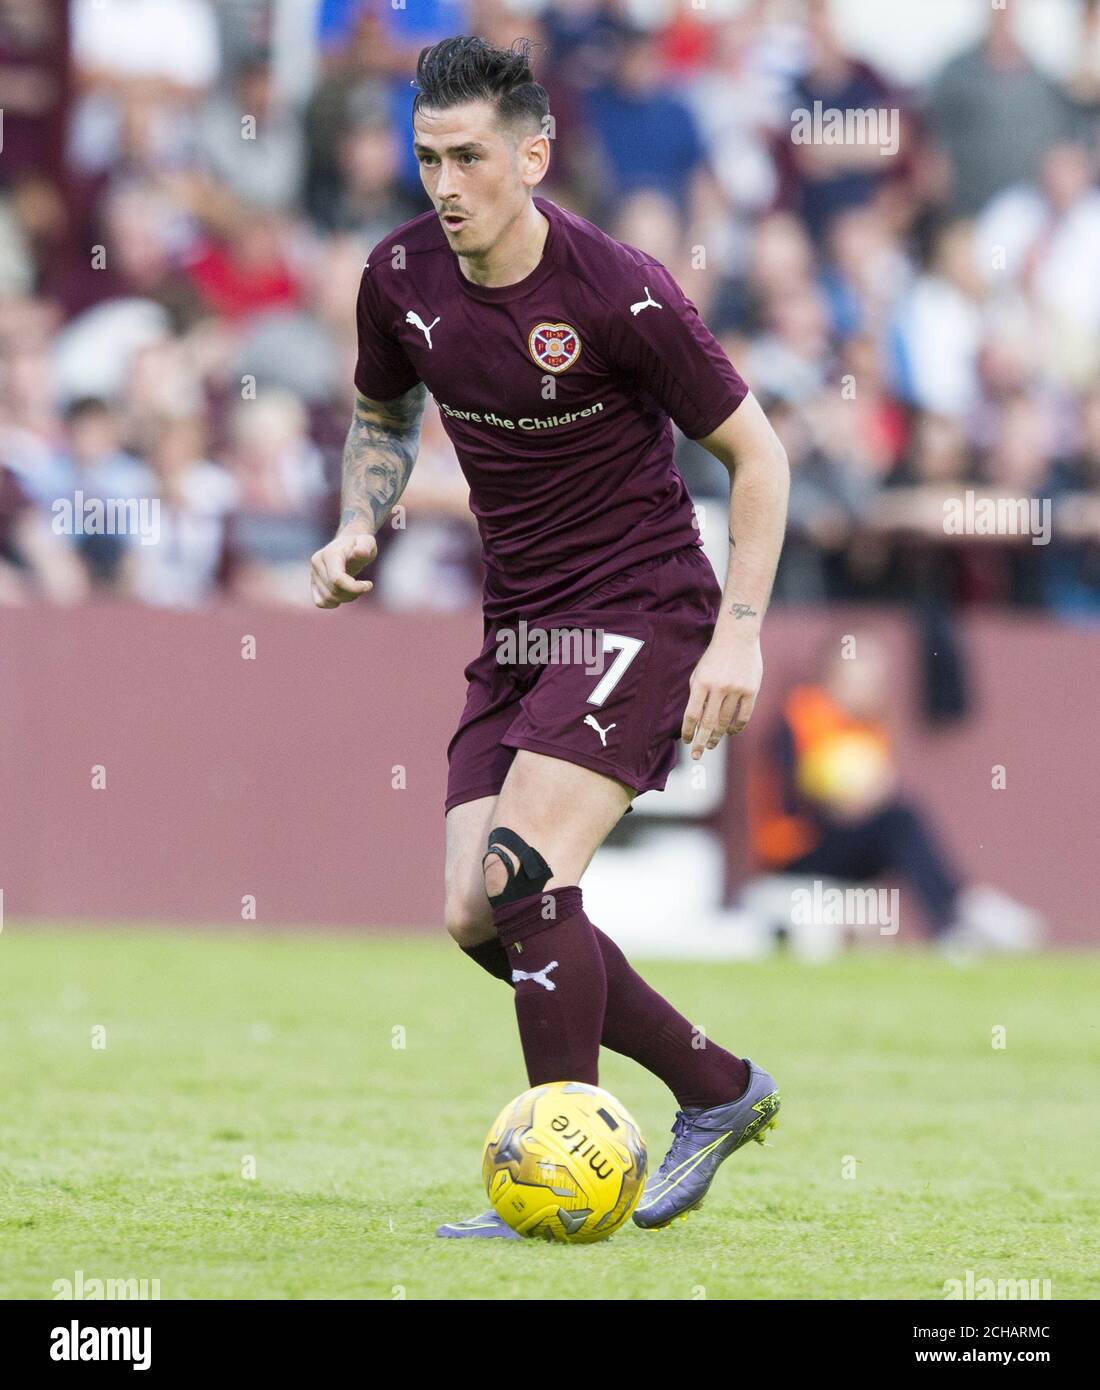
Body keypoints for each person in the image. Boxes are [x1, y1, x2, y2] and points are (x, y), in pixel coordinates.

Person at [309, 36, 790, 1237]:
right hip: (518, 622)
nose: (444, 183)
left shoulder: (617, 288)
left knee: (523, 871)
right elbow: (380, 408)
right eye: (427, 158)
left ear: (531, 155)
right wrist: (357, 521)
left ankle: (553, 1180)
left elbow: (758, 457)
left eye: (468, 157)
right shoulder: (398, 276)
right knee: (479, 912)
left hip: (639, 606)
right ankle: (716, 1087)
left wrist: (737, 637)